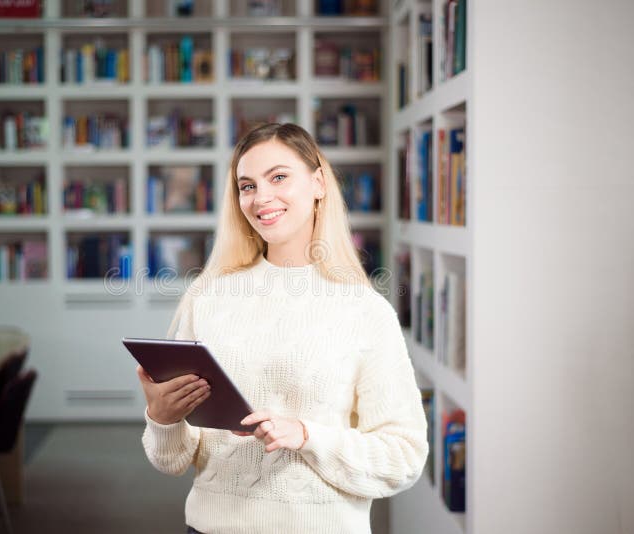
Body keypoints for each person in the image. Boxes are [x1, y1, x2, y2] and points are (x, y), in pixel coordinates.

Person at [136, 123, 428, 533]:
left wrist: (308, 436)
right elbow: (171, 461)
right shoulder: (208, 299)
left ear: (318, 183)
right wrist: (163, 418)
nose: (261, 198)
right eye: (247, 186)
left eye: (278, 177)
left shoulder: (366, 312)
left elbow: (404, 458)